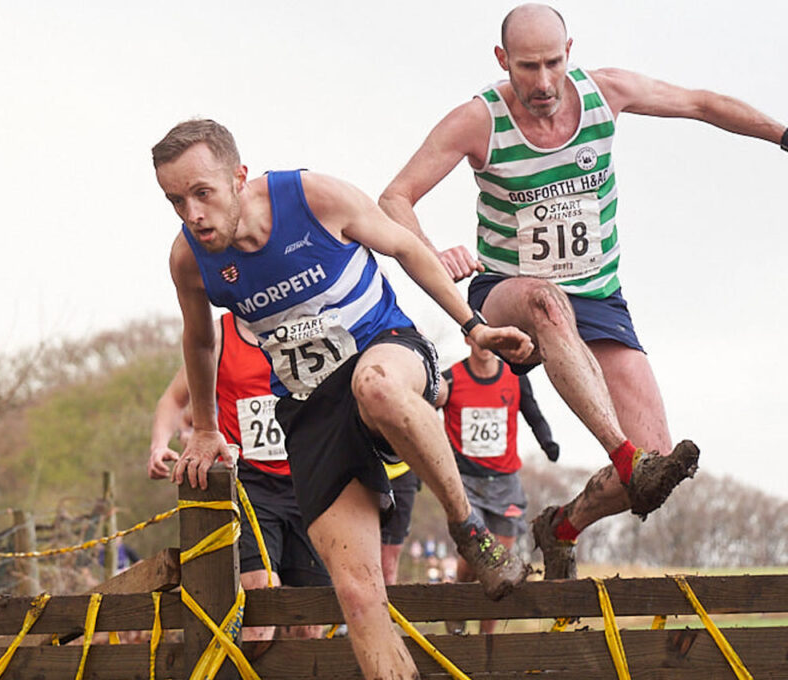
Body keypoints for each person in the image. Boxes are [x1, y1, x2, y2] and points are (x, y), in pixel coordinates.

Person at [378, 3, 788, 580]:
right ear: (502, 61)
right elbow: (395, 198)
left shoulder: (606, 93)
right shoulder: (479, 120)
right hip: (509, 294)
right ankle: (624, 455)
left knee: (659, 467)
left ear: (570, 51)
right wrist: (435, 255)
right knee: (549, 303)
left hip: (597, 296)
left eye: (552, 63)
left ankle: (563, 525)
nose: (543, 83)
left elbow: (700, 103)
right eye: (527, 68)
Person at [155, 118, 532, 680]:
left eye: (202, 194)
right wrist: (206, 428)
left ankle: (468, 527)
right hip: (311, 409)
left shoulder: (311, 197)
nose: (192, 215)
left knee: (372, 385)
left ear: (239, 177)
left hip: (389, 354)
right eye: (175, 201)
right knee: (357, 597)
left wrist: (472, 326)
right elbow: (200, 338)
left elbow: (404, 245)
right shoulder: (190, 259)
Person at [149, 311, 329, 642]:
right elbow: (175, 399)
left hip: (309, 479)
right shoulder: (218, 334)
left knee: (310, 622)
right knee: (259, 603)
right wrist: (159, 445)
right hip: (250, 485)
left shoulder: (312, 320)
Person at [436, 335, 558, 634]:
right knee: (474, 557)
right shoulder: (450, 379)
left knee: (499, 566)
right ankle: (457, 610)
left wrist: (547, 442)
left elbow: (533, 414)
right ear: (468, 337)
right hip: (466, 481)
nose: (487, 344)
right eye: (481, 336)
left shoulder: (513, 377)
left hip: (505, 484)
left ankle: (487, 640)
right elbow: (424, 418)